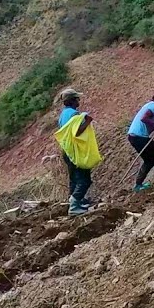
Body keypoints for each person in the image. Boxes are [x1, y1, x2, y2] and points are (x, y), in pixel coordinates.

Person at [56, 88, 94, 216]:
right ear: (72, 100)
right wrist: (87, 122)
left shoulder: (63, 115)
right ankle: (74, 205)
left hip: (66, 150)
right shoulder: (74, 115)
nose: (79, 100)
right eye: (77, 98)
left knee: (74, 179)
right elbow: (76, 133)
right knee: (84, 179)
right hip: (75, 152)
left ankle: (77, 202)